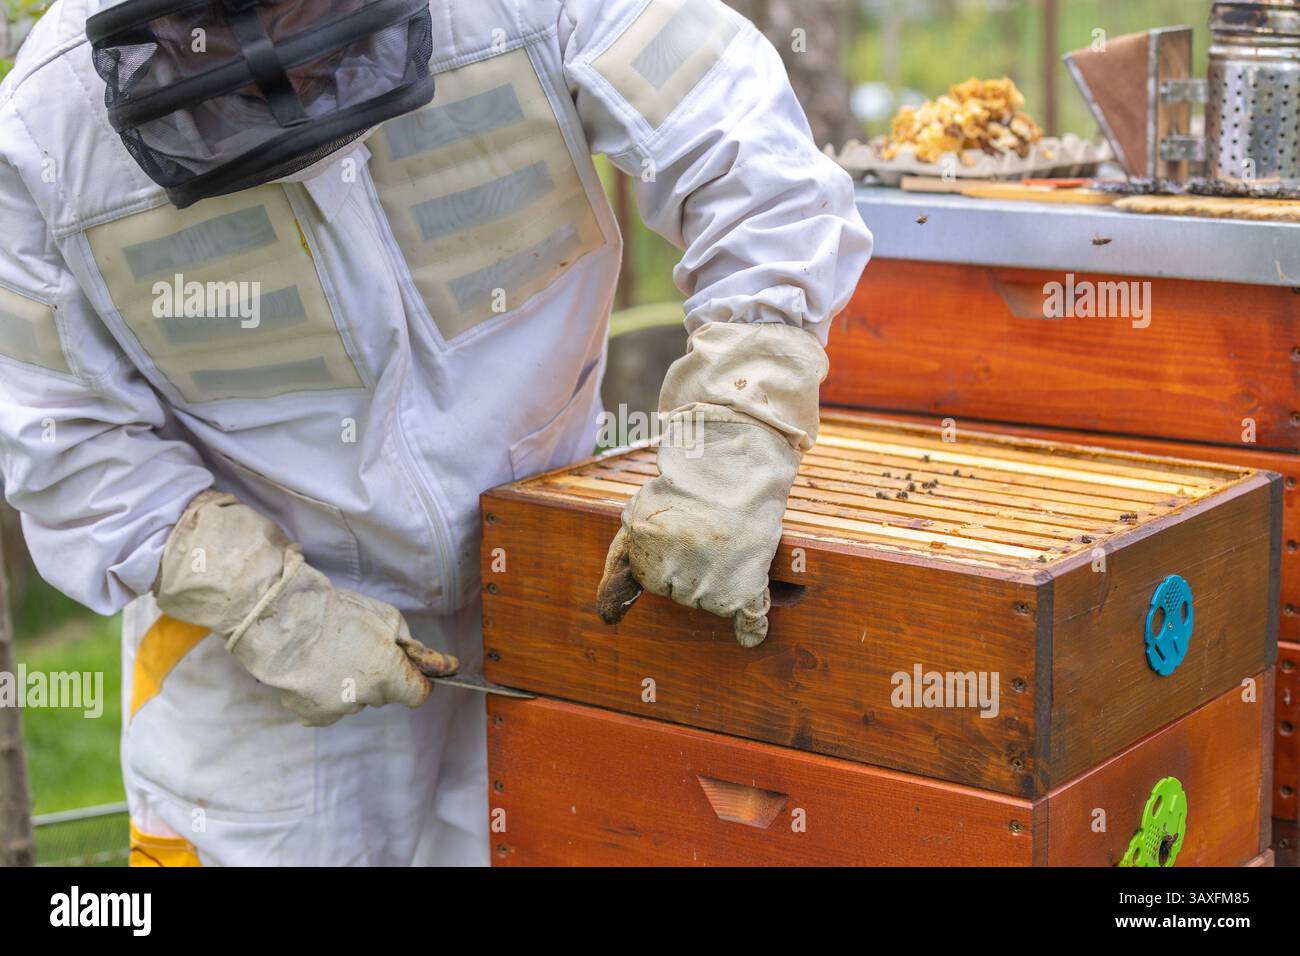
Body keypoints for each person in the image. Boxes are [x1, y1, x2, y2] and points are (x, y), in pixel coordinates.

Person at [0, 0, 872, 866]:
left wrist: (736, 430)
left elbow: (750, 162)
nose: (285, 68)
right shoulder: (45, 134)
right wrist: (259, 598)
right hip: (257, 673)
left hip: (548, 585)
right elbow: (60, 431)